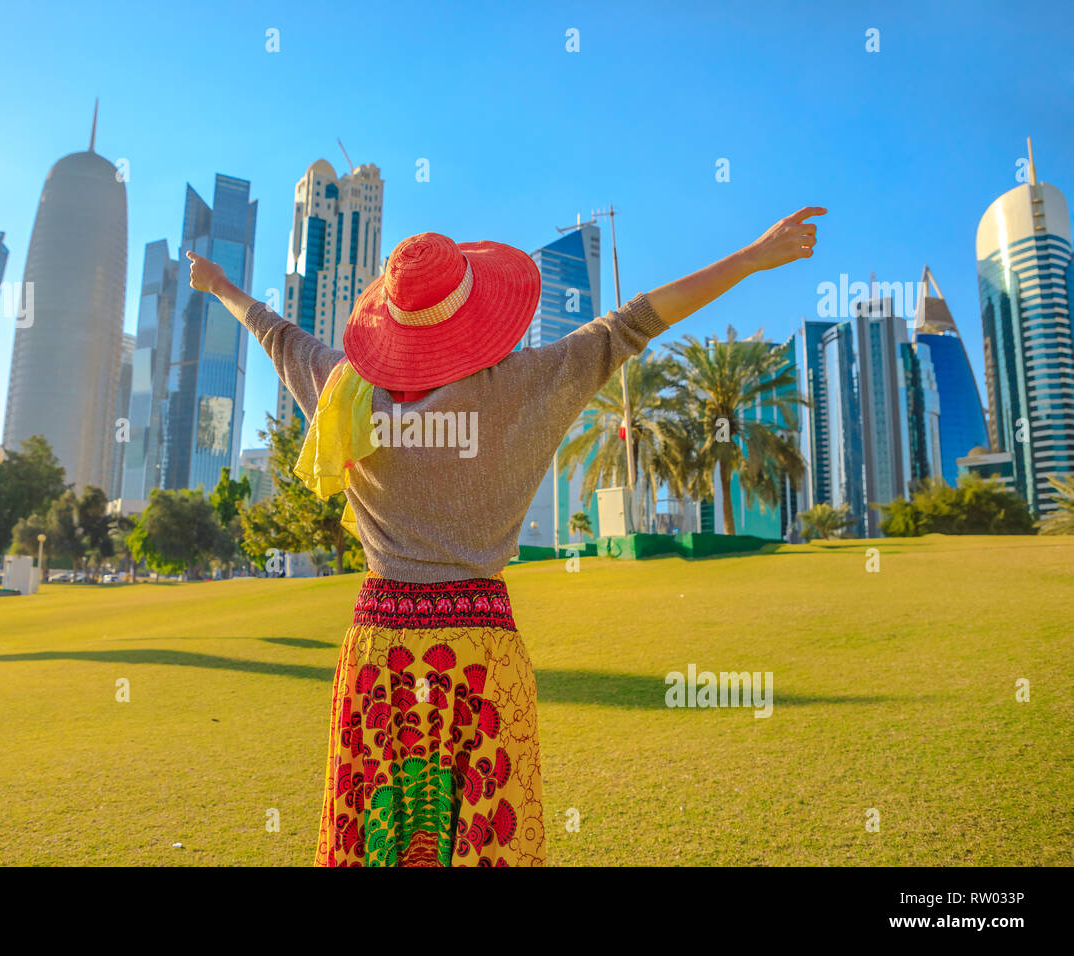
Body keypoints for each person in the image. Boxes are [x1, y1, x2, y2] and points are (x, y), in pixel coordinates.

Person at [185, 205, 824, 867]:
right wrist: (752, 257)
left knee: (384, 840)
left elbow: (275, 333)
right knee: (484, 839)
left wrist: (220, 285)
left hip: (382, 657)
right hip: (479, 654)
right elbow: (636, 319)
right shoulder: (523, 386)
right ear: (474, 313)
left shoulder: (346, 388)